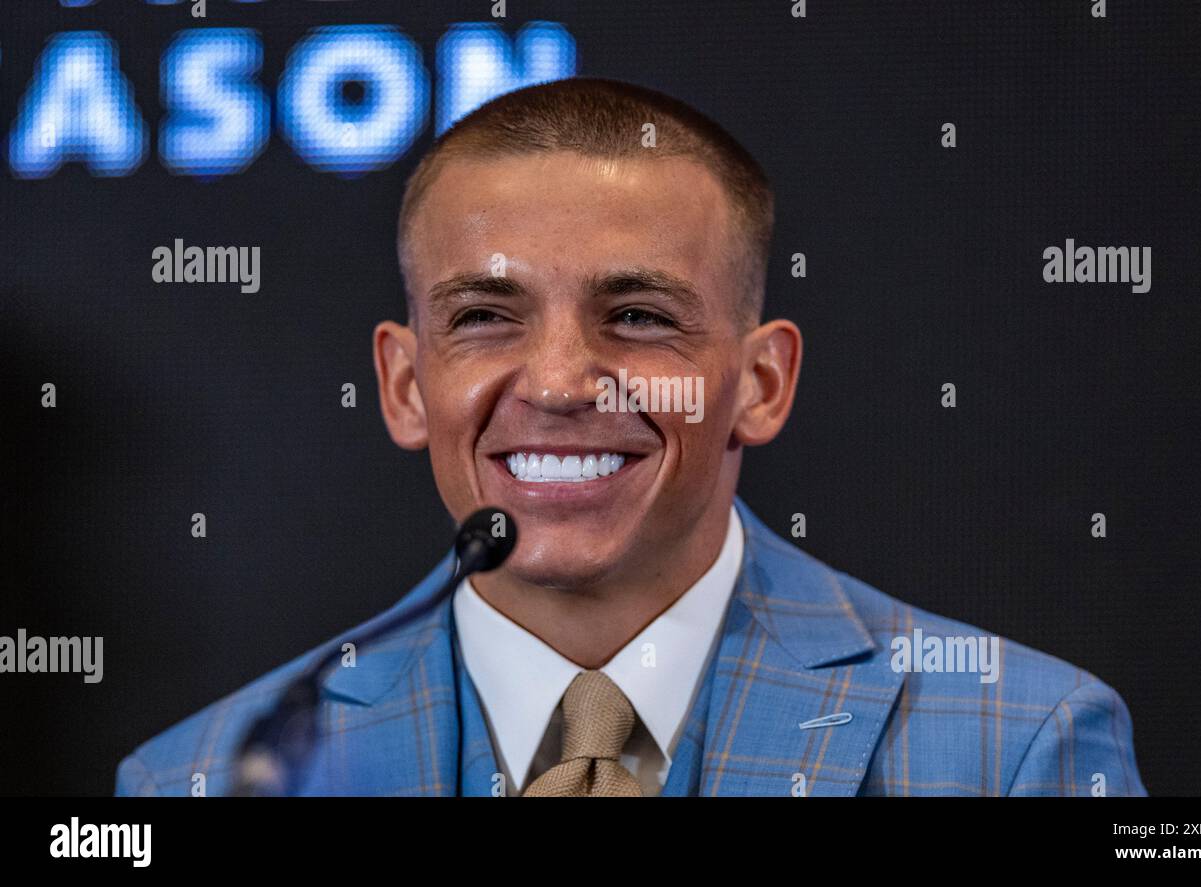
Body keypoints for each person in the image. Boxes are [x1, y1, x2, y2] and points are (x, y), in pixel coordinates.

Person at [115, 77, 1145, 797]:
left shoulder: (1019, 744)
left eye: (640, 315)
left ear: (761, 381)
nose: (562, 382)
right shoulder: (201, 777)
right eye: (483, 316)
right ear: (404, 383)